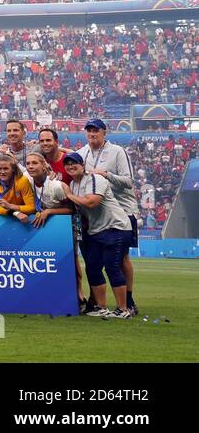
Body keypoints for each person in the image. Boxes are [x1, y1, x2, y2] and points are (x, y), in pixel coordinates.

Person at [78, 118, 141, 315]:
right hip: (97, 214)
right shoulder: (82, 153)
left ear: (104, 132)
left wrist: (106, 175)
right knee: (93, 259)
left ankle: (128, 301)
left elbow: (129, 181)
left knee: (121, 258)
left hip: (122, 209)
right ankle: (97, 301)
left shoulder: (117, 151)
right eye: (88, 130)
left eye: (95, 130)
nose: (92, 134)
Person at [64, 152, 134, 318]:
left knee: (112, 266)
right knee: (93, 268)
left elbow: (92, 202)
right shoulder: (74, 184)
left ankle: (123, 309)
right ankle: (101, 307)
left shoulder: (95, 179)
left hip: (115, 227)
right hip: (96, 230)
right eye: (67, 164)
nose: (71, 166)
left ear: (83, 165)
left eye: (74, 163)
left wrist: (69, 195)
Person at [22, 152, 72, 229]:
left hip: (59, 221)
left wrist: (49, 211)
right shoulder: (26, 177)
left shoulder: (56, 186)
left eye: (35, 163)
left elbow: (70, 210)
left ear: (44, 166)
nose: (30, 166)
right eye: (28, 164)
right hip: (39, 219)